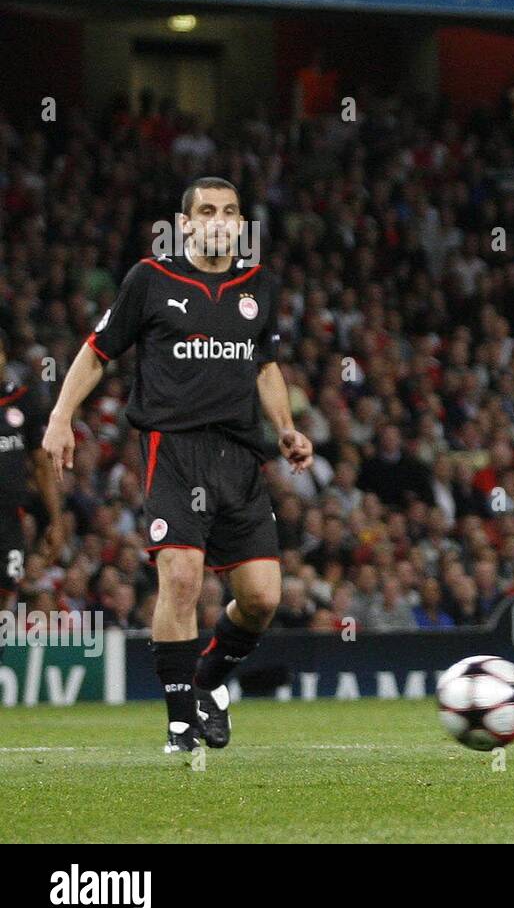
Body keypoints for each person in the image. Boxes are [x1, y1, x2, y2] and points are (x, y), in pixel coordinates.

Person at [42, 176, 313, 754]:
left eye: (231, 212)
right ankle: (180, 724)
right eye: (207, 210)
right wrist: (62, 415)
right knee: (182, 577)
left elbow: (265, 366)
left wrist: (286, 428)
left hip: (239, 454)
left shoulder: (257, 285)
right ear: (185, 223)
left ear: (242, 225)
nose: (219, 220)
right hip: (174, 449)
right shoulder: (151, 279)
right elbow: (98, 350)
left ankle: (209, 680)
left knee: (264, 597)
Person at [0, 331, 64, 664]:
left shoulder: (22, 403)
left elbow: (41, 466)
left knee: (4, 599)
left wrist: (54, 521)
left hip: (10, 522)